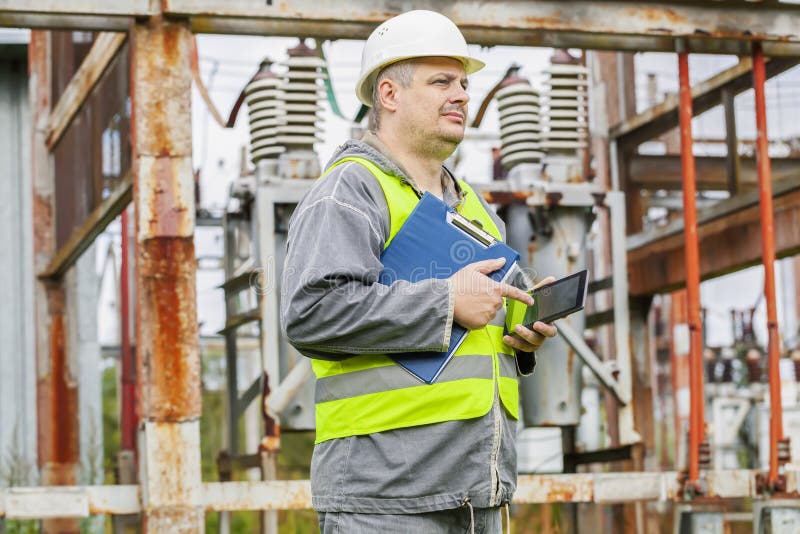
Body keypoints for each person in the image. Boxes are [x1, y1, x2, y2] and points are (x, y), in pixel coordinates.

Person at [281, 10, 557, 533]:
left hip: (478, 496)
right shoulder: (350, 192)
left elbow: (478, 338)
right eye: (441, 82)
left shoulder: (474, 206)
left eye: (463, 83)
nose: (460, 94)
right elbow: (310, 312)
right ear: (389, 94)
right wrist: (446, 303)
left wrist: (521, 332)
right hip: (385, 501)